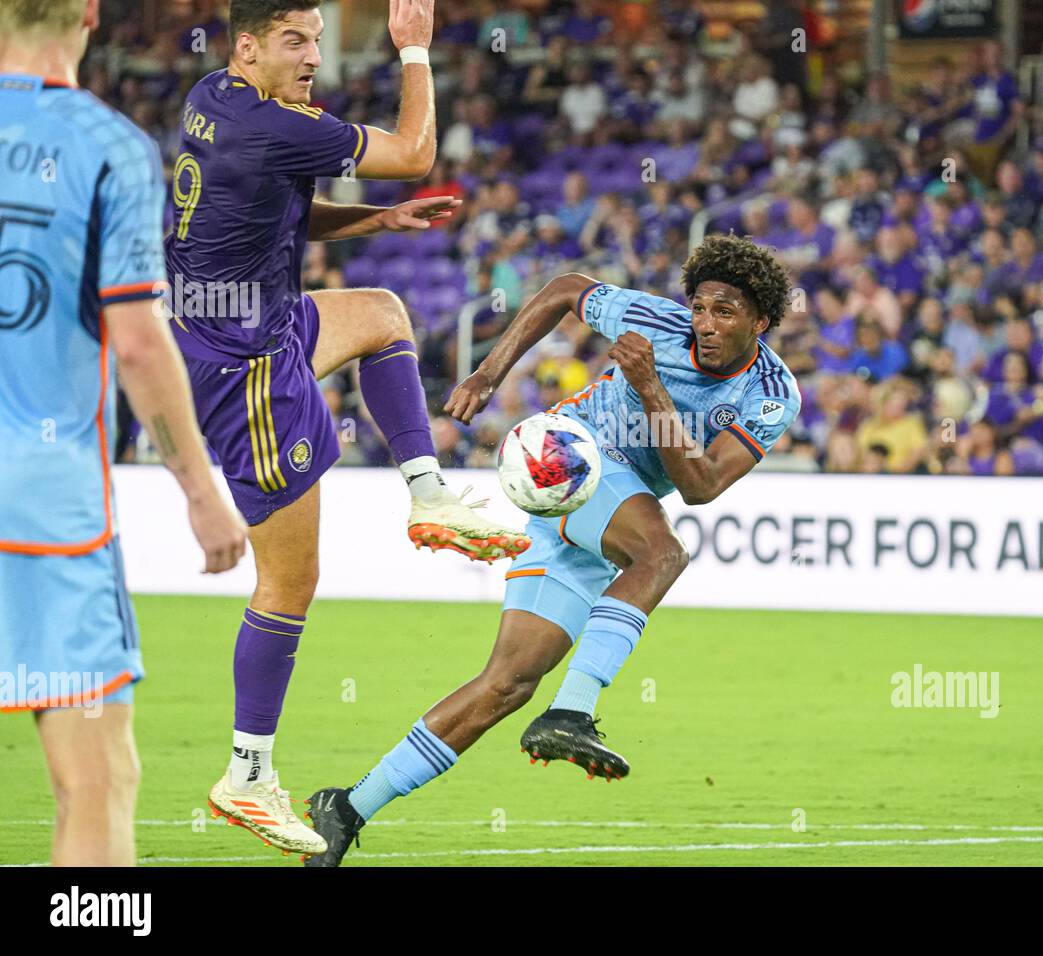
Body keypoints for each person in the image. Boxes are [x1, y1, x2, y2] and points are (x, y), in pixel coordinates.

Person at [302, 236, 801, 866]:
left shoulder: (772, 393)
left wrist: (651, 389)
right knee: (662, 555)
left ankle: (345, 807)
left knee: (505, 686)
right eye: (699, 306)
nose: (703, 323)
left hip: (606, 510)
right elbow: (566, 287)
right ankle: (572, 712)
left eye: (724, 312)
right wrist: (490, 371)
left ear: (760, 321)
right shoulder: (654, 319)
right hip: (565, 455)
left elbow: (700, 486)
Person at [165, 0, 529, 856]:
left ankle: (429, 496)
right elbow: (415, 154)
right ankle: (246, 775)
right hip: (244, 366)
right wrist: (415, 53)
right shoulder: (270, 123)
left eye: (317, 42)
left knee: (380, 312)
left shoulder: (216, 97)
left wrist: (372, 221)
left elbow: (277, 205)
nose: (311, 59)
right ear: (247, 46)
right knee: (290, 585)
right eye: (293, 42)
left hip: (262, 318)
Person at [0, 0, 247, 865]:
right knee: (97, 780)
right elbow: (139, 343)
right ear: (91, 13)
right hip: (41, 507)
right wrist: (201, 491)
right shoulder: (108, 149)